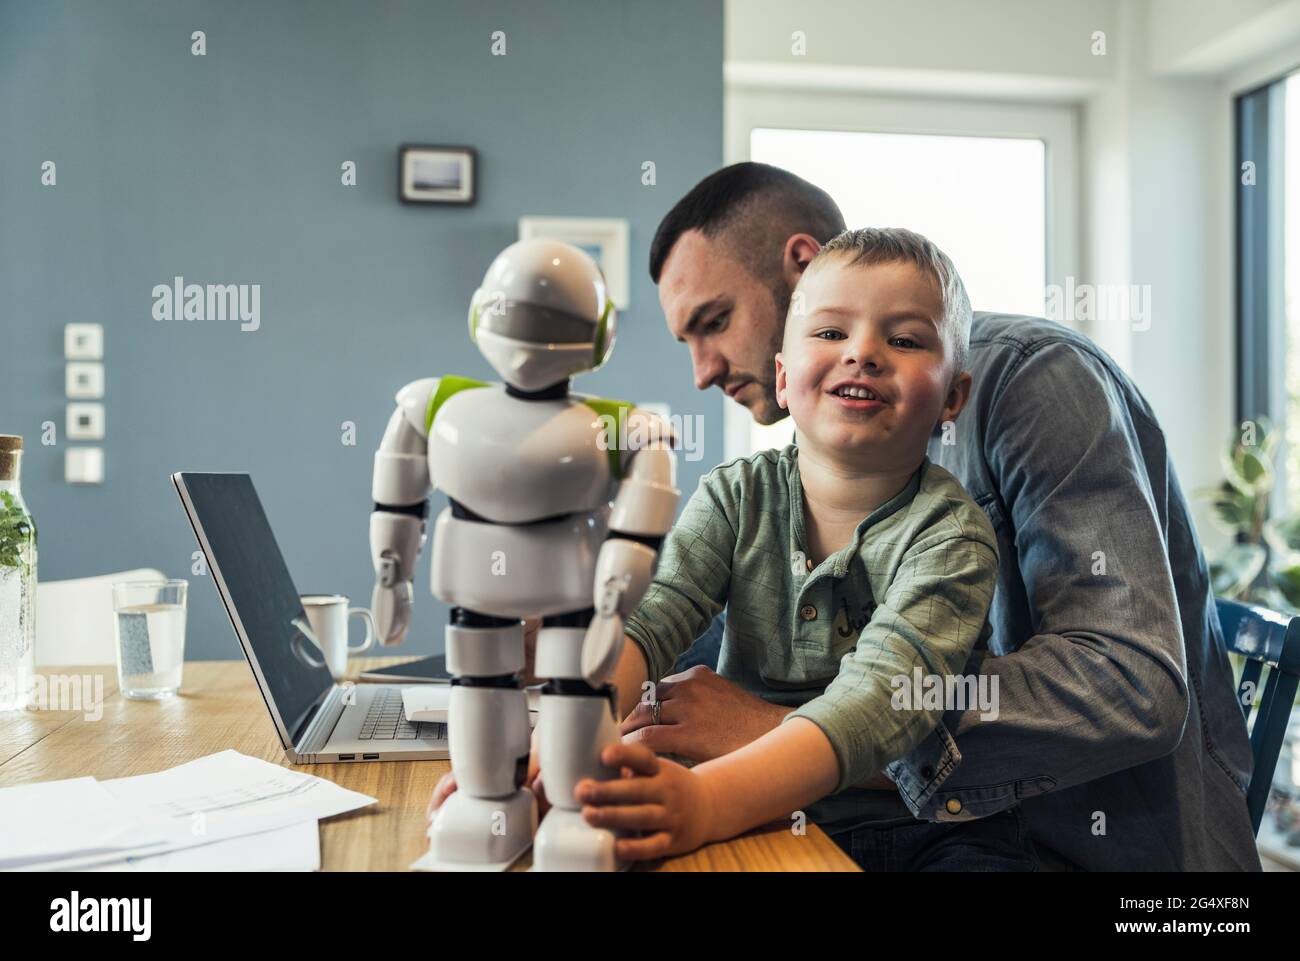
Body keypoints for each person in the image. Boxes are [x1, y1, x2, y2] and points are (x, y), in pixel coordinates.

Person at [618, 162, 1260, 871]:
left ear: (801, 266)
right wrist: (575, 663)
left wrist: (777, 733)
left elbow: (1130, 683)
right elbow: (709, 617)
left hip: (1089, 854)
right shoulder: (785, 473)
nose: (701, 371)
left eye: (713, 323)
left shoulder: (1034, 380)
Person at [575, 226, 1042, 868]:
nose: (864, 354)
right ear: (784, 377)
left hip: (924, 832)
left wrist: (706, 802)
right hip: (757, 816)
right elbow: (650, 623)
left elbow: (876, 704)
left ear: (951, 400)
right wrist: (568, 750)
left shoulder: (951, 536)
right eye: (831, 333)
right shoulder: (733, 497)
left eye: (904, 340)